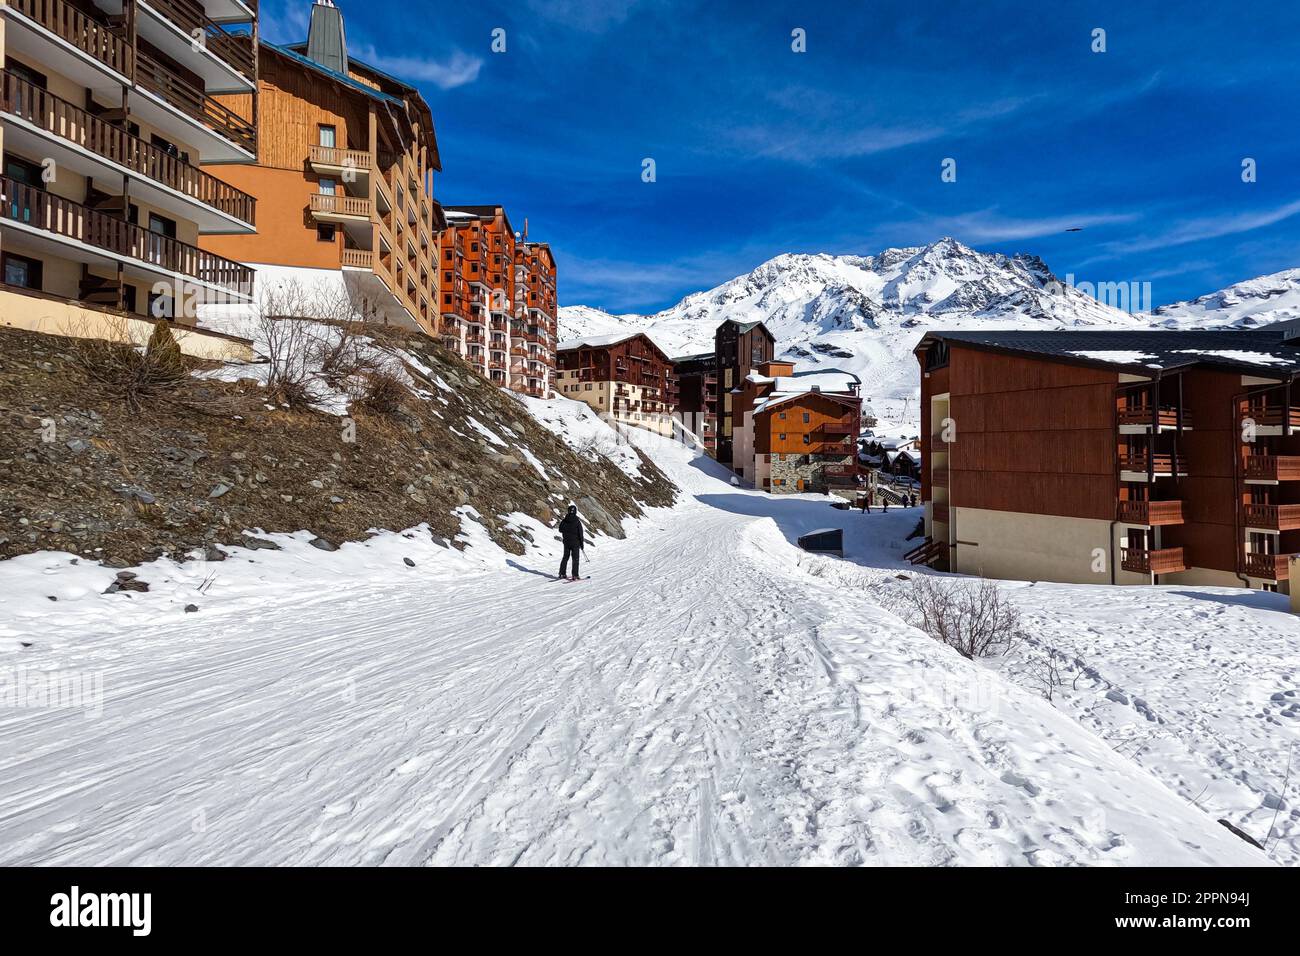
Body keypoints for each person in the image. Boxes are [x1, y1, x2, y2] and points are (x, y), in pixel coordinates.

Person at [559, 503, 584, 580]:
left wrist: (567, 531)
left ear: (569, 511)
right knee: (575, 559)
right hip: (575, 543)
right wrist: (581, 544)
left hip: (566, 542)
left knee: (565, 557)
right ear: (575, 511)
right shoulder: (577, 521)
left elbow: (560, 529)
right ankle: (575, 575)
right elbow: (580, 533)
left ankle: (562, 573)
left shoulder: (564, 520)